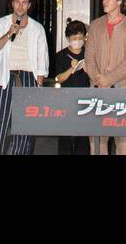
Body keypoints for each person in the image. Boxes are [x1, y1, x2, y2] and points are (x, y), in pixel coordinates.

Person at [0, 0, 49, 155]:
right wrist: (9, 33)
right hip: (4, 77)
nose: (20, 6)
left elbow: (43, 58)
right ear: (12, 3)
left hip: (28, 78)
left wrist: (39, 83)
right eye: (17, 2)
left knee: (24, 127)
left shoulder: (37, 28)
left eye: (24, 2)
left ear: (29, 5)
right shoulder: (1, 23)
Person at [85, 0, 126, 155]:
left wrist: (109, 79)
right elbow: (89, 56)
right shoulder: (95, 25)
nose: (104, 1)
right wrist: (98, 79)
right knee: (97, 139)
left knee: (123, 140)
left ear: (119, 1)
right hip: (97, 89)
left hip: (121, 89)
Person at [52, 19, 91, 155]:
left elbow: (96, 77)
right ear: (68, 38)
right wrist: (71, 69)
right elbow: (57, 78)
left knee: (83, 136)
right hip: (66, 100)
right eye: (75, 38)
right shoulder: (61, 56)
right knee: (65, 136)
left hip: (85, 99)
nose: (78, 41)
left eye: (81, 38)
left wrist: (87, 69)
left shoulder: (89, 54)